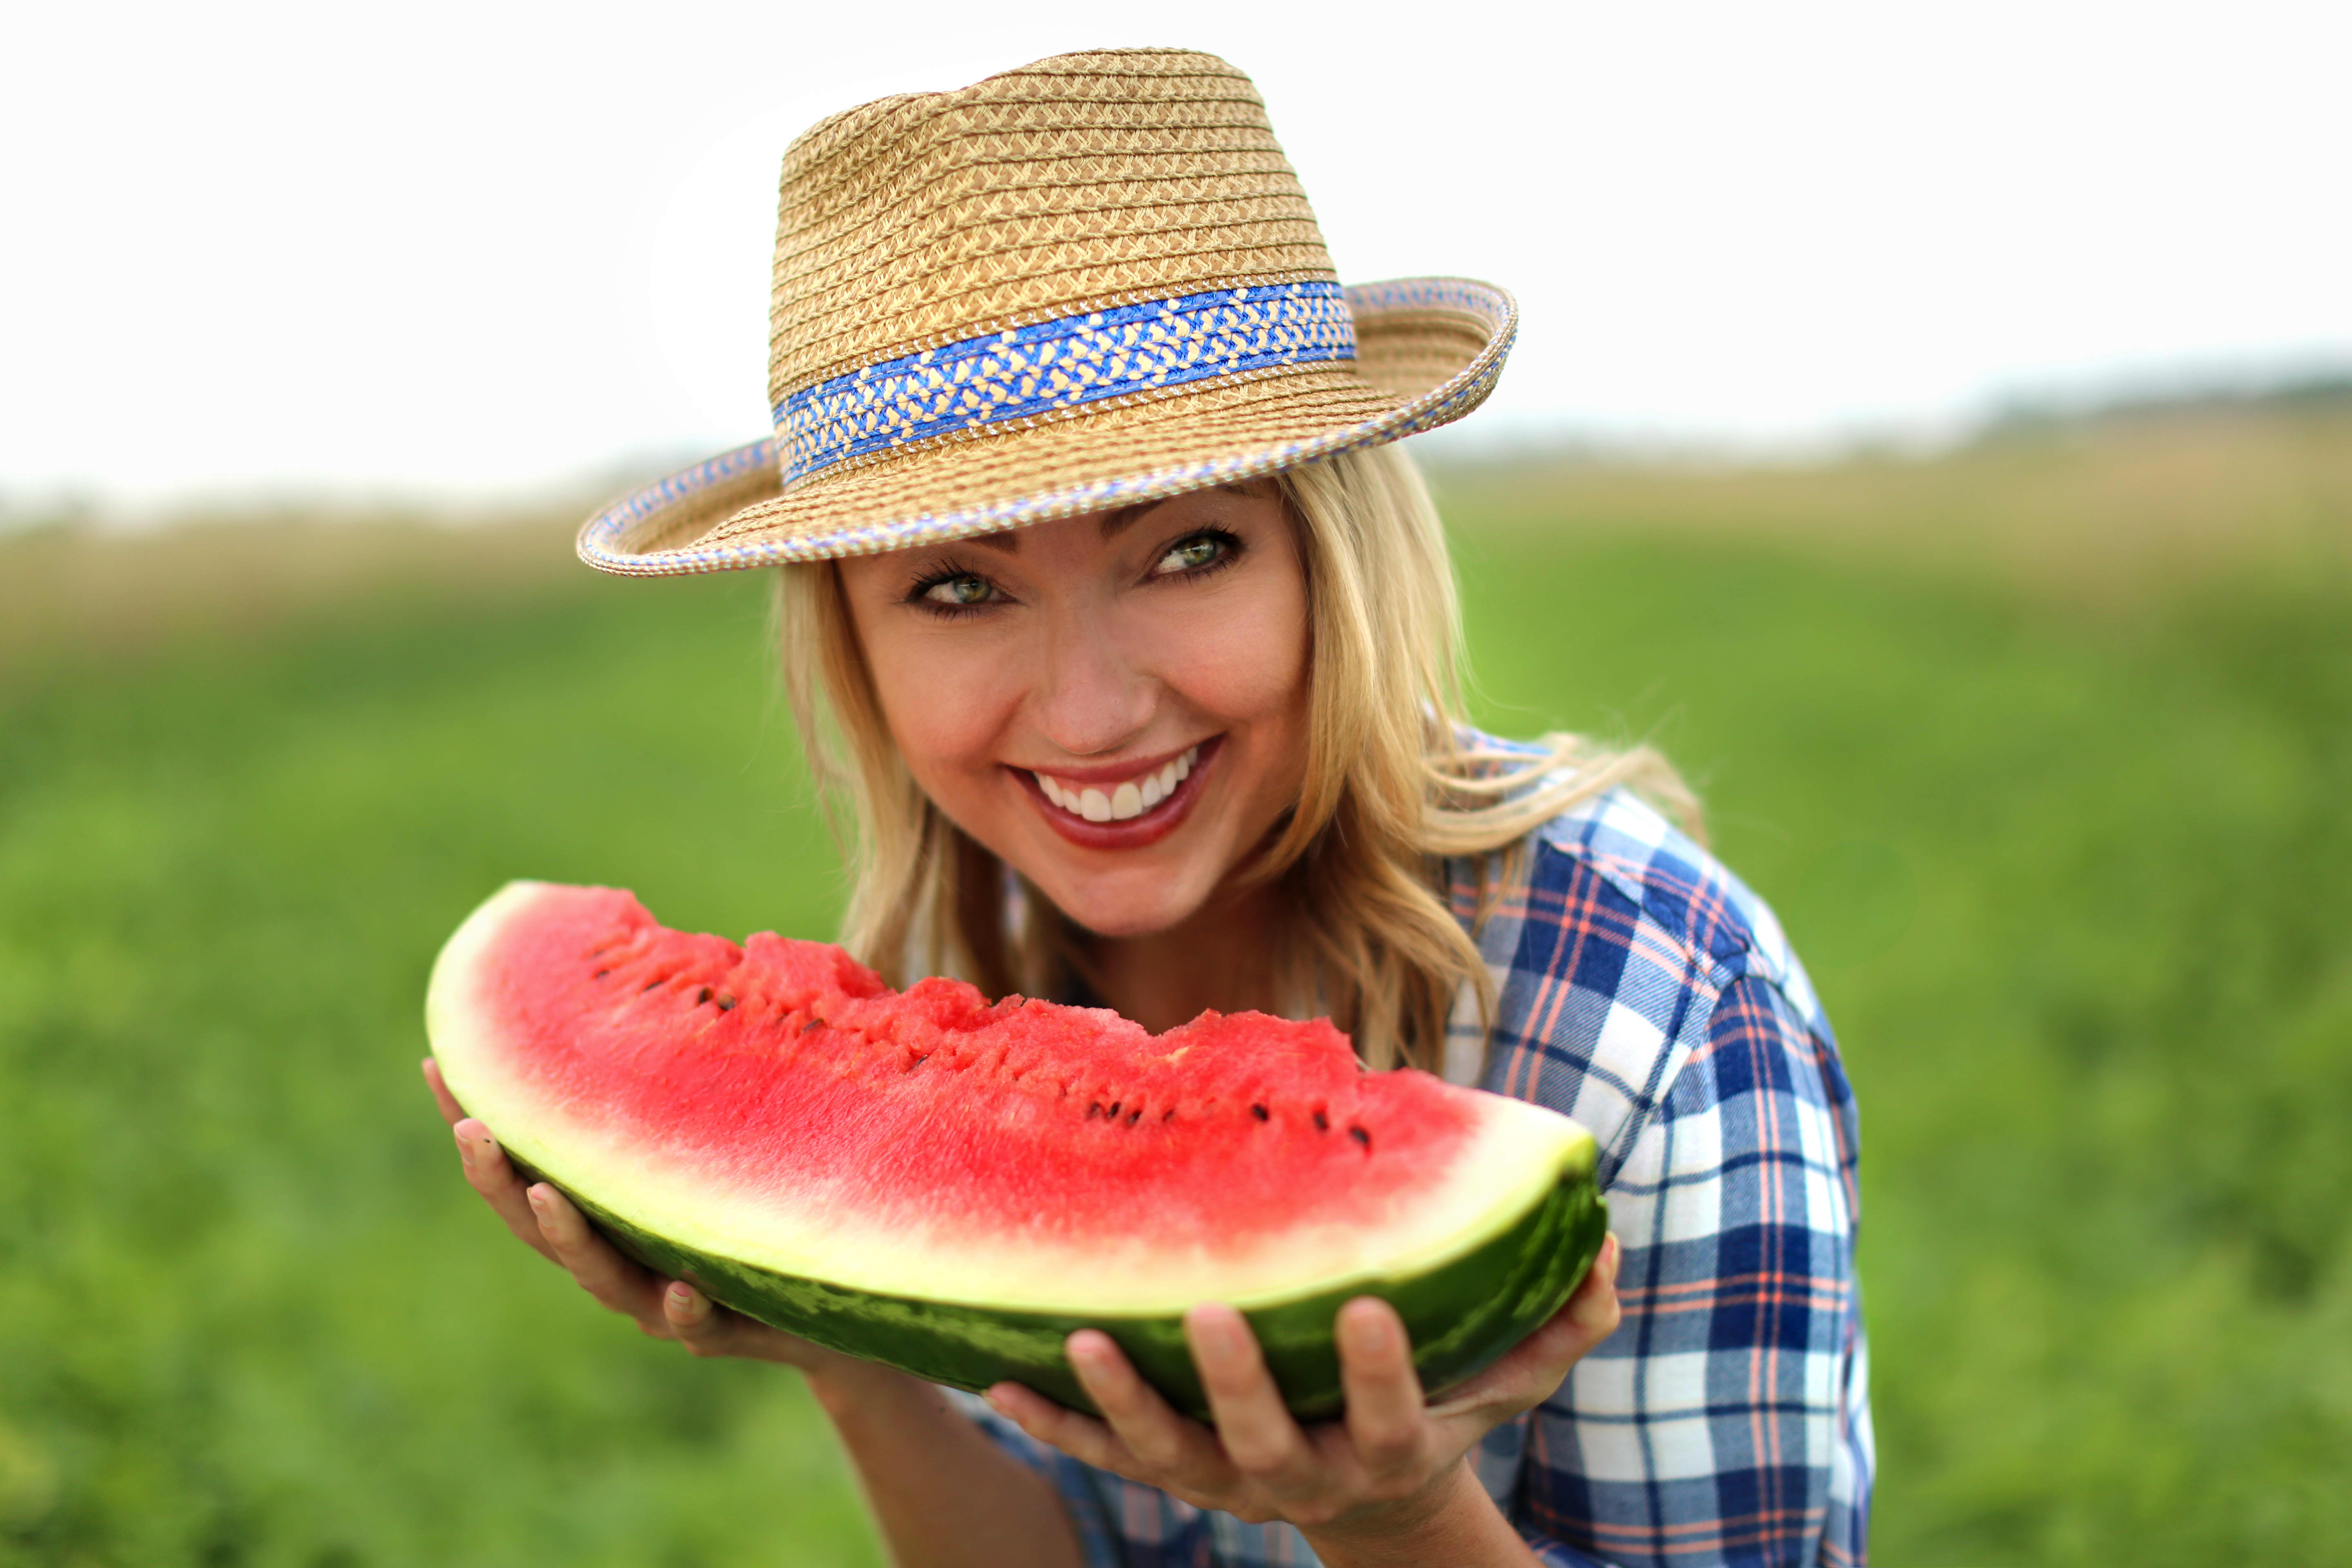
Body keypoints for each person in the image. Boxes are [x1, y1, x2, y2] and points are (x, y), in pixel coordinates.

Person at [423, 47, 1870, 1568]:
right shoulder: (961, 959)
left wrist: (1390, 1518)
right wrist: (845, 1344)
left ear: (1335, 555)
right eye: (958, 588)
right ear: (853, 643)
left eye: (1188, 553)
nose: (1092, 714)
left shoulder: (1652, 1003)